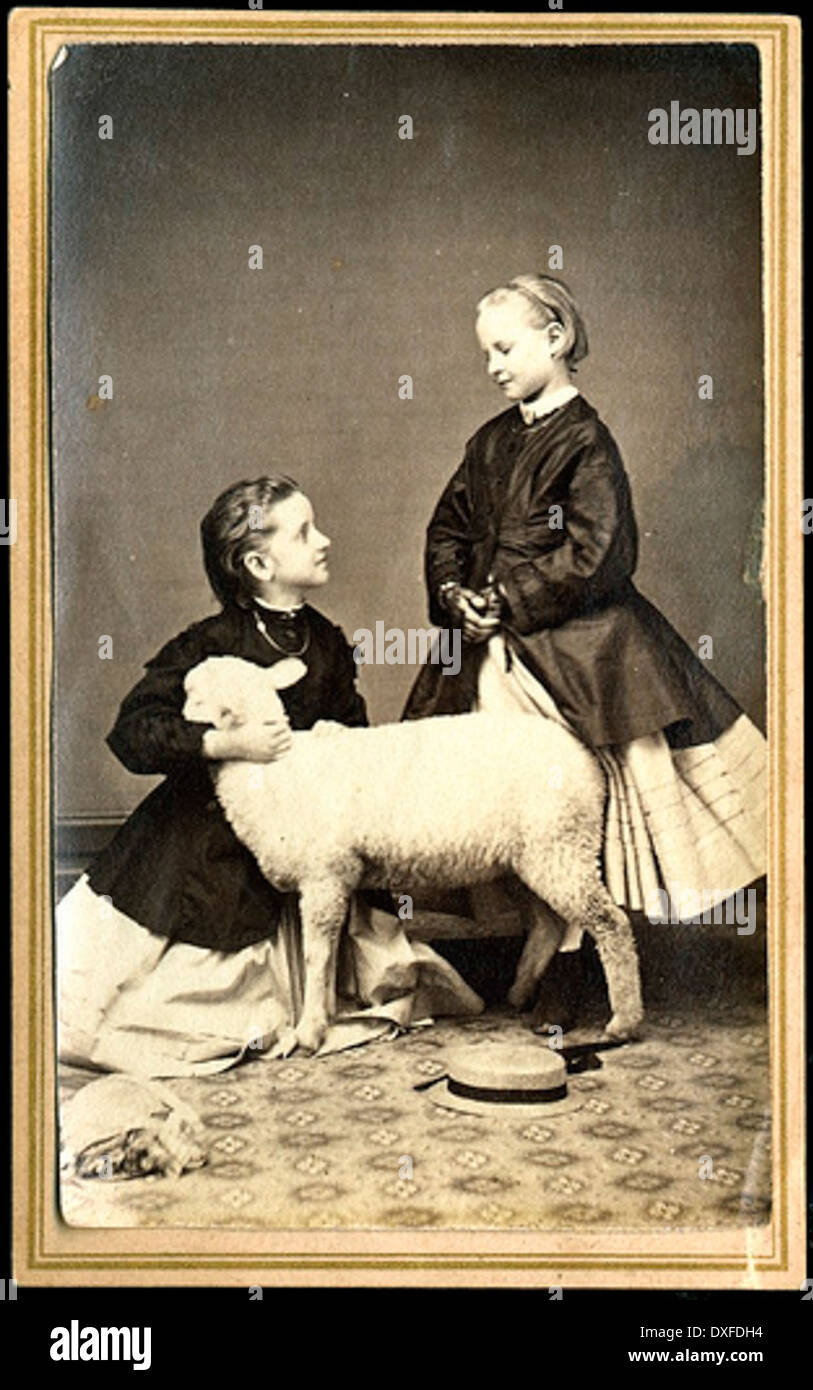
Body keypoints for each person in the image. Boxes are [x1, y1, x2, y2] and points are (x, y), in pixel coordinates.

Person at [403, 274, 766, 1034]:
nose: (494, 366)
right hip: (493, 652)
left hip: (581, 649)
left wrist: (511, 597)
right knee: (517, 799)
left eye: (505, 348)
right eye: (486, 354)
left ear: (555, 338)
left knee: (587, 799)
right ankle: (539, 935)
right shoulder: (491, 441)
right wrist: (456, 593)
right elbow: (449, 529)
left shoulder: (586, 440)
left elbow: (602, 551)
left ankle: (578, 962)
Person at [57, 476, 481, 1077]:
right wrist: (224, 743)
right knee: (147, 1003)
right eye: (304, 532)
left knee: (342, 915)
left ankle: (315, 997)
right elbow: (133, 730)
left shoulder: (327, 641)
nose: (324, 541)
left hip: (311, 835)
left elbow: (352, 732)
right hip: (213, 835)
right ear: (257, 562)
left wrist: (341, 744)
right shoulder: (211, 642)